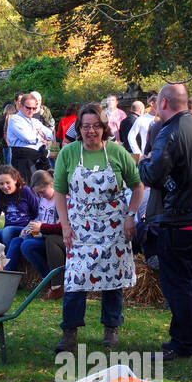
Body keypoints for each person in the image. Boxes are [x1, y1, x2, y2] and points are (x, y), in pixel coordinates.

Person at [52, 103, 144, 354]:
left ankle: (111, 328)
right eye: (86, 126)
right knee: (75, 279)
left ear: (104, 128)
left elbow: (137, 187)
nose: (91, 131)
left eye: (96, 126)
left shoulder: (117, 152)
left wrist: (130, 216)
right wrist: (65, 226)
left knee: (113, 279)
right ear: (78, 129)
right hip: (80, 226)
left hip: (113, 224)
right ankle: (69, 333)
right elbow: (59, 192)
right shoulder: (68, 154)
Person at [139, 83, 192, 361]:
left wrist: (142, 164)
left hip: (177, 217)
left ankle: (183, 341)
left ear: (163, 103)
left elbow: (154, 174)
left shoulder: (170, 132)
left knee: (178, 284)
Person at [9, 168, 61, 280]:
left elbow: (61, 228)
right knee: (16, 240)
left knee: (27, 245)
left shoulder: (60, 200)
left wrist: (40, 227)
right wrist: (29, 227)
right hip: (41, 234)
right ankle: (8, 277)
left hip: (51, 240)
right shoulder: (43, 199)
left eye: (42, 192)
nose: (40, 195)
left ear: (51, 185)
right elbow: (39, 218)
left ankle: (47, 278)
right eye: (37, 193)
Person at [0, 165, 40, 251]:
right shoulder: (0, 195)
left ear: (15, 180)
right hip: (8, 230)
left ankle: (8, 259)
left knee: (7, 231)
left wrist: (30, 228)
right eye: (1, 184)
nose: (5, 187)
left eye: (7, 182)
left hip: (25, 230)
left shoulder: (26, 191)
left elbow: (38, 214)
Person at [7, 93, 53, 183]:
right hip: (23, 159)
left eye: (34, 108)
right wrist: (39, 136)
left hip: (39, 158)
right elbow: (28, 138)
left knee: (45, 187)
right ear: (21, 106)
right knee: (27, 189)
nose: (31, 111)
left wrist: (36, 133)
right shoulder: (15, 120)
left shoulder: (35, 121)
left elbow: (50, 134)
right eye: (28, 108)